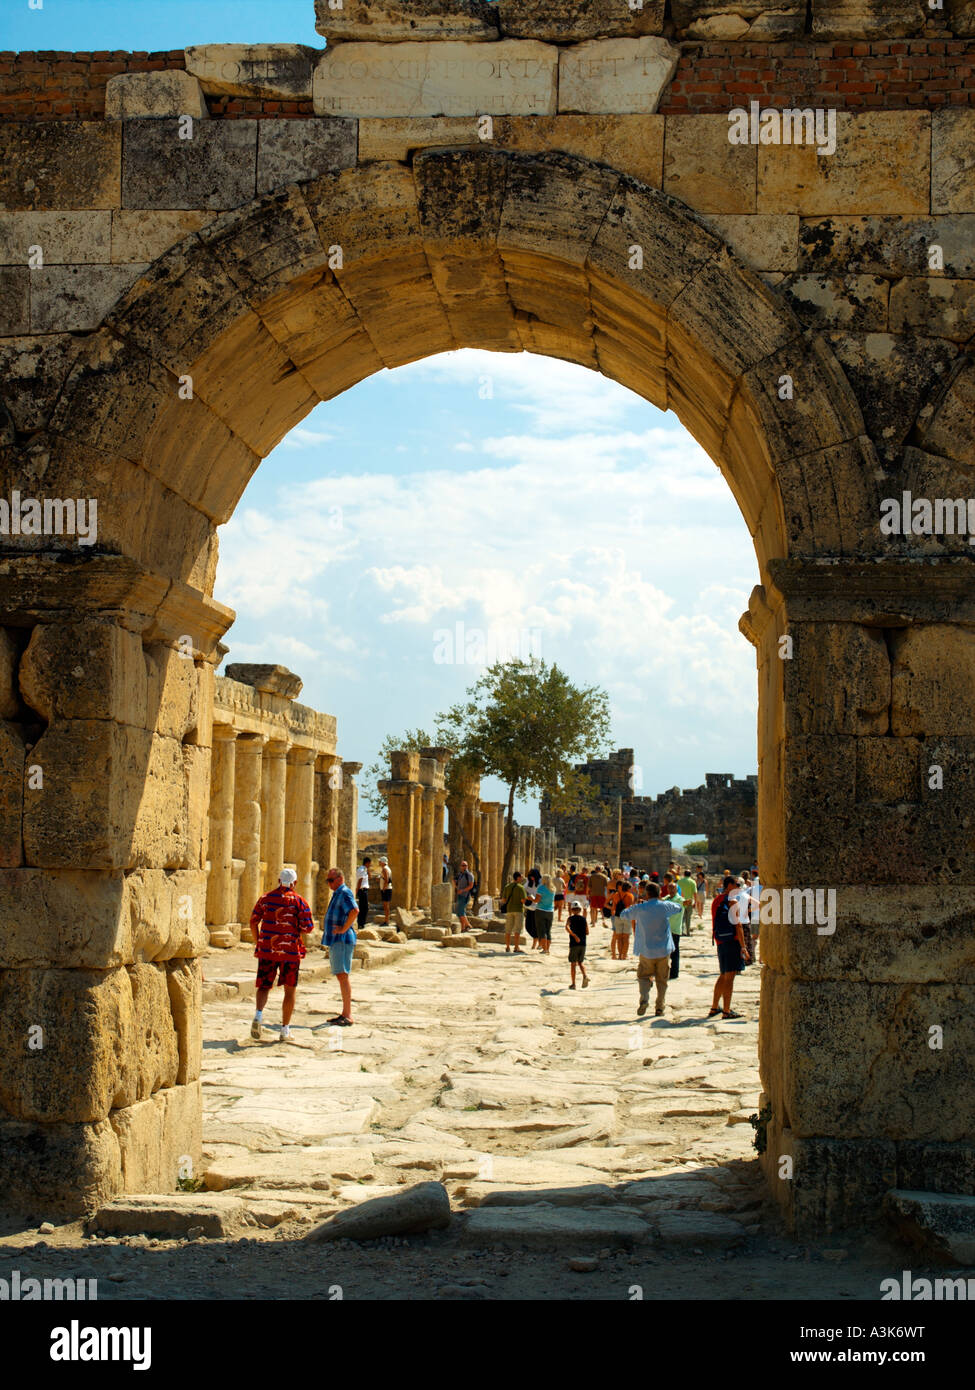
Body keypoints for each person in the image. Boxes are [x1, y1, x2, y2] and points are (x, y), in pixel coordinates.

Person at [248, 867, 314, 1041]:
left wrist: (259, 942)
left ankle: (259, 1015)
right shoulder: (299, 901)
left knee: (263, 986)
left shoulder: (265, 899)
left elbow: (253, 920)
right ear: (295, 883)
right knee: (289, 991)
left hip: (267, 950)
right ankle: (285, 1029)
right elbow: (308, 928)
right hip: (290, 953)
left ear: (278, 881)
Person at [622, 883, 684, 1018]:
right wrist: (664, 902)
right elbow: (679, 908)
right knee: (662, 980)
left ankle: (644, 999)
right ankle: (660, 1007)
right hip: (663, 950)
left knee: (643, 977)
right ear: (660, 893)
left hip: (646, 950)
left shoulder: (640, 907)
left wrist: (637, 904)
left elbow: (623, 914)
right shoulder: (665, 906)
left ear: (647, 894)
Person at [709, 875, 750, 1019]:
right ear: (729, 886)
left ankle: (715, 1007)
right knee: (730, 977)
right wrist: (743, 946)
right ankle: (726, 1010)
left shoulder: (716, 900)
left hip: (720, 940)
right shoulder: (732, 901)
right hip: (732, 941)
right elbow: (738, 925)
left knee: (723, 974)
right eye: (737, 884)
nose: (739, 887)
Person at [322, 866, 358, 1026]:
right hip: (338, 939)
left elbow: (354, 910)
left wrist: (344, 928)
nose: (329, 883)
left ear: (340, 879)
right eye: (327, 881)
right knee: (341, 975)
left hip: (342, 939)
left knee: (343, 975)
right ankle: (345, 1012)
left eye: (331, 880)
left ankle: (348, 1014)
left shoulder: (344, 892)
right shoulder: (338, 893)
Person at [500, 870, 527, 953]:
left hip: (509, 910)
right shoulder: (521, 888)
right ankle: (516, 947)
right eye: (521, 877)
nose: (522, 878)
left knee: (508, 929)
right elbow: (523, 900)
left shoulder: (507, 887)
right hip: (518, 910)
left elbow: (503, 900)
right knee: (517, 930)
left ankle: (507, 947)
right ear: (518, 878)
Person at [565, 900, 589, 989]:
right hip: (583, 943)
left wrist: (574, 935)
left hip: (574, 944)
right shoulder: (584, 919)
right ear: (580, 910)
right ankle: (585, 975)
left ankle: (573, 984)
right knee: (580, 962)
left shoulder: (570, 919)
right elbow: (587, 932)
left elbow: (566, 927)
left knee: (573, 964)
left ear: (572, 910)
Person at [610, 875, 634, 960]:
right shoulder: (630, 896)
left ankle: (619, 955)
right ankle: (624, 955)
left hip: (617, 917)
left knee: (619, 937)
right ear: (628, 888)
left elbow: (613, 907)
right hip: (627, 917)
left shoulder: (616, 895)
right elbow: (630, 907)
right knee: (626, 937)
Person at [531, 874, 556, 954]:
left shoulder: (541, 888)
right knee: (548, 931)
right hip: (550, 911)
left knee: (542, 930)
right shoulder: (553, 889)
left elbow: (537, 900)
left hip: (541, 910)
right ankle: (547, 949)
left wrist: (531, 898)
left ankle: (544, 949)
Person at [454, 859, 475, 932]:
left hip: (465, 895)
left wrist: (462, 890)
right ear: (460, 867)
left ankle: (468, 925)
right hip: (460, 895)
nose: (464, 867)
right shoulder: (460, 875)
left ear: (467, 866)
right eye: (463, 865)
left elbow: (471, 885)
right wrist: (457, 888)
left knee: (460, 911)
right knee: (461, 911)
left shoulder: (469, 875)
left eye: (465, 865)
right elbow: (457, 883)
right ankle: (463, 928)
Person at [677, 866, 697, 936]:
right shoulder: (692, 882)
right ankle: (688, 932)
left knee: (682, 917)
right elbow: (695, 892)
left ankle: (681, 931)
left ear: (684, 874)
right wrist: (696, 902)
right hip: (689, 901)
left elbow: (677, 891)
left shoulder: (679, 881)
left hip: (681, 901)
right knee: (688, 917)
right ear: (690, 874)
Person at [355, 857, 371, 933]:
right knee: (364, 908)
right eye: (369, 864)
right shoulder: (362, 870)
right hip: (362, 890)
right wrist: (357, 890)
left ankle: (361, 923)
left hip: (363, 890)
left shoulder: (364, 869)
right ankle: (361, 923)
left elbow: (369, 877)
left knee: (363, 907)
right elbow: (360, 880)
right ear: (367, 863)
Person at [378, 856, 393, 925]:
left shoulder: (384, 869)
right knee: (386, 906)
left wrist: (384, 888)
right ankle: (387, 920)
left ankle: (386, 921)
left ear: (383, 862)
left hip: (386, 889)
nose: (379, 862)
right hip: (387, 888)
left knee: (386, 906)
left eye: (380, 861)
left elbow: (386, 879)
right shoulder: (387, 868)